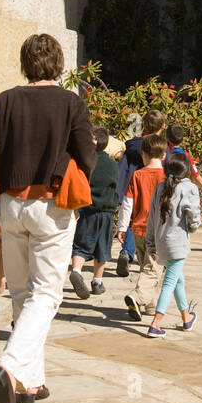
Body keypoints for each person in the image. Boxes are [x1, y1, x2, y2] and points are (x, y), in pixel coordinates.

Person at [0, 33, 95, 403]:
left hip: (11, 204)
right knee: (47, 296)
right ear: (58, 64)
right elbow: (87, 155)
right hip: (51, 205)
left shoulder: (5, 101)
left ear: (25, 62)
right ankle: (9, 365)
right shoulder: (70, 104)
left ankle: (31, 383)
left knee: (23, 294)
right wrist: (67, 172)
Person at [144, 154, 199, 337]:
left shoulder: (160, 187)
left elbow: (151, 217)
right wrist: (193, 226)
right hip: (177, 244)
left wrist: (150, 241)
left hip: (160, 242)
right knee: (169, 283)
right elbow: (193, 216)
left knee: (177, 280)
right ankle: (156, 323)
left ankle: (186, 318)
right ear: (186, 170)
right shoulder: (189, 188)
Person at [117, 133, 167, 322]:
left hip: (138, 229)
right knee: (153, 270)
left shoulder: (137, 175)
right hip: (159, 232)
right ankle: (137, 297)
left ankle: (150, 305)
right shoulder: (166, 177)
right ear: (164, 156)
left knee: (146, 268)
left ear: (143, 154)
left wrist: (122, 227)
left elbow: (127, 202)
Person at [115, 108, 166, 276]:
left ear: (144, 125)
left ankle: (126, 252)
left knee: (134, 220)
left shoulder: (133, 145)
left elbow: (123, 166)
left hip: (134, 185)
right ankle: (147, 270)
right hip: (154, 190)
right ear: (162, 127)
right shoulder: (160, 148)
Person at [69, 126, 118, 298]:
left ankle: (76, 270)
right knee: (102, 247)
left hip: (87, 209)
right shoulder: (112, 164)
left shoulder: (85, 162)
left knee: (81, 243)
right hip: (106, 211)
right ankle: (97, 282)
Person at [166, 122, 202, 203]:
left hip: (165, 189)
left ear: (166, 137)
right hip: (181, 192)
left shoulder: (162, 153)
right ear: (182, 139)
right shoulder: (186, 155)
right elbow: (195, 174)